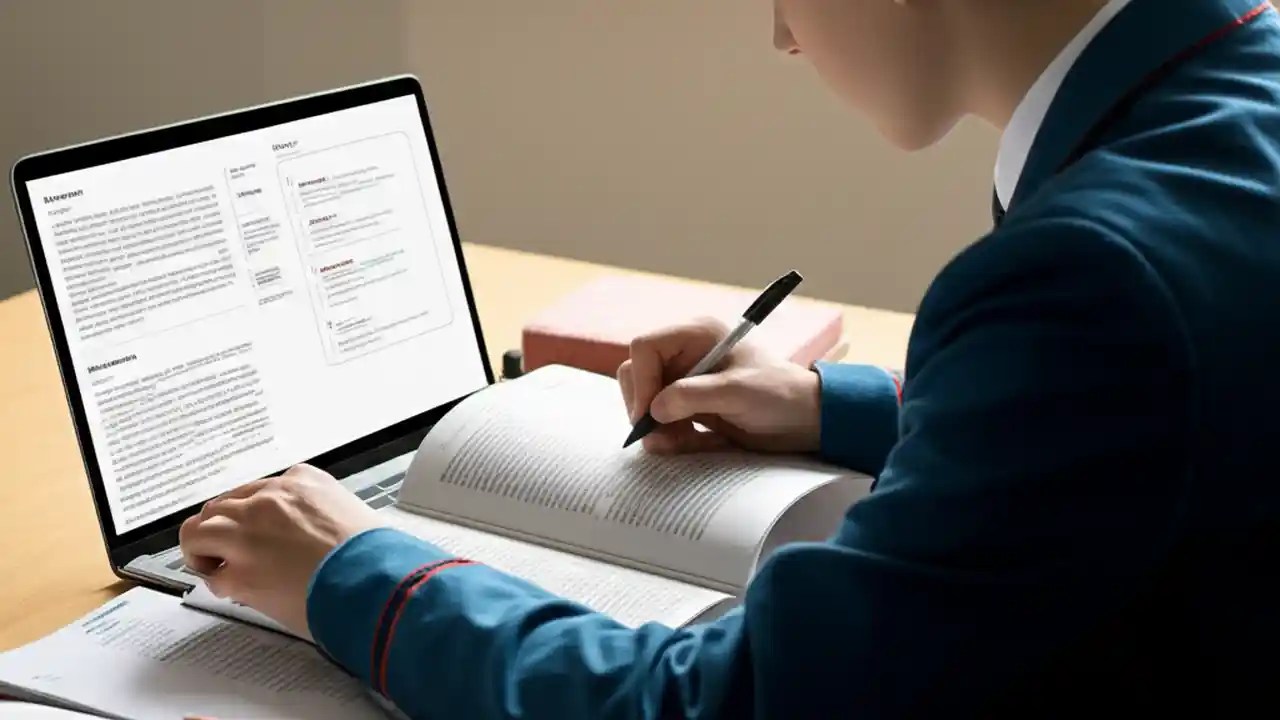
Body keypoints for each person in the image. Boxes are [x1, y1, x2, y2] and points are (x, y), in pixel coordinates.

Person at [179, 0, 1280, 717]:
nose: (781, 38)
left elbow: (734, 709)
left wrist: (363, 577)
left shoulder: (1086, 279)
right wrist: (826, 406)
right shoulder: (1237, 92)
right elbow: (1181, 411)